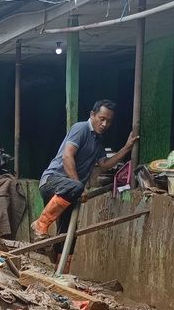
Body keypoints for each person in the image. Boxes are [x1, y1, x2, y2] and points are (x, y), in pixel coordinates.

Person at [32, 100, 139, 240]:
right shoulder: (80, 128)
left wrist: (127, 148)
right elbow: (67, 156)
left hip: (69, 191)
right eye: (102, 119)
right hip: (52, 181)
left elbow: (105, 165)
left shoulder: (98, 140)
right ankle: (40, 224)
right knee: (76, 185)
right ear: (92, 115)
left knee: (68, 237)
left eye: (109, 121)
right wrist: (79, 187)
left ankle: (59, 260)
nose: (105, 124)